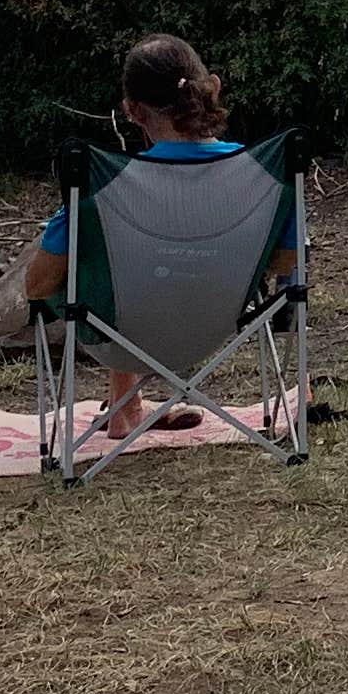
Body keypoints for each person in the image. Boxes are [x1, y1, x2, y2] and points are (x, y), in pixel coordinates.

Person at [23, 34, 297, 442]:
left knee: (103, 268)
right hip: (213, 331)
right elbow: (286, 262)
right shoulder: (262, 176)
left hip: (120, 338)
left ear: (131, 111)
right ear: (213, 88)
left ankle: (124, 405)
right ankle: (127, 408)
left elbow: (37, 284)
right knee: (144, 266)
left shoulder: (103, 189)